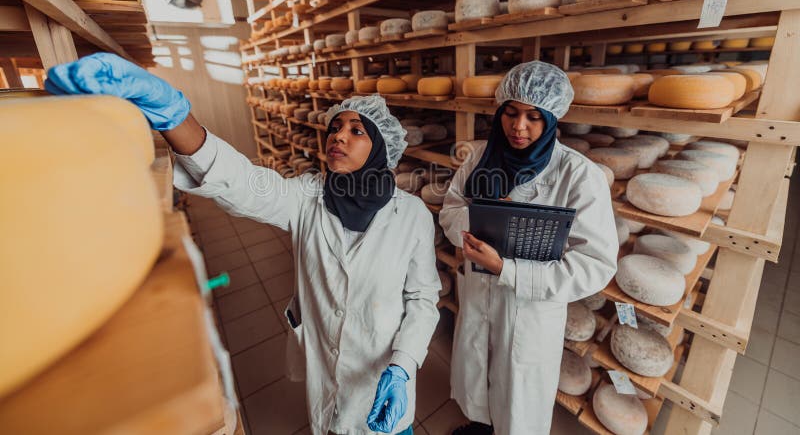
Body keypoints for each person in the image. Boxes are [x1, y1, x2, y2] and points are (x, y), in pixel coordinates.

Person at [45, 53, 441, 435]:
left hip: (385, 375)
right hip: (327, 376)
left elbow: (423, 299)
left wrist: (403, 365)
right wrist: (173, 114)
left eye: (356, 131)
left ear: (381, 151)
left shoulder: (412, 216)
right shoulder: (308, 195)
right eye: (336, 127)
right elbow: (243, 182)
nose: (338, 135)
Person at [438, 61, 618, 435]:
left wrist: (508, 269)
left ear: (553, 117)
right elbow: (450, 209)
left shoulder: (579, 175)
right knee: (478, 378)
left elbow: (595, 264)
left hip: (529, 311)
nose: (519, 127)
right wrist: (479, 220)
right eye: (511, 113)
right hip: (477, 296)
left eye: (534, 116)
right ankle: (480, 426)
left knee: (517, 400)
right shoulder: (479, 158)